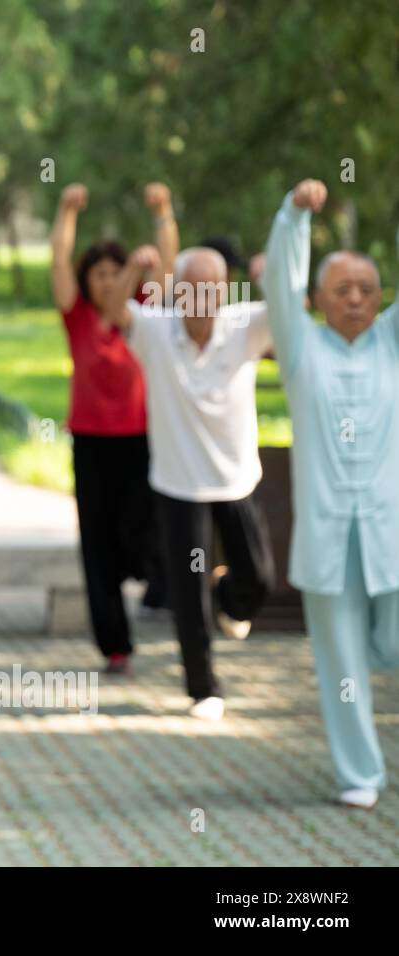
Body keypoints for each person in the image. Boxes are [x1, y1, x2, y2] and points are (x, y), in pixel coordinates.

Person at [264, 178, 399, 809]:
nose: (354, 299)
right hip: (327, 536)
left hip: (389, 530)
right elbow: (277, 287)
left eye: (366, 290)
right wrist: (294, 216)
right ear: (318, 298)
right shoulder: (301, 350)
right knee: (343, 664)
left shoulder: (392, 345)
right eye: (341, 289)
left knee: (390, 644)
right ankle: (360, 775)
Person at [106, 243, 275, 721]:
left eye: (211, 288)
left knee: (258, 580)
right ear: (176, 292)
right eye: (191, 288)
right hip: (179, 484)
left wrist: (269, 274)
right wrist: (134, 270)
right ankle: (203, 688)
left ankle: (230, 600)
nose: (202, 297)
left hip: (235, 479)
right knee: (186, 590)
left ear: (224, 292)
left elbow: (292, 307)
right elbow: (114, 310)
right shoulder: (156, 331)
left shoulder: (246, 325)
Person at [49, 181, 177, 676]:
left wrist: (163, 211)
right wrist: (66, 210)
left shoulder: (140, 314)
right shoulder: (77, 316)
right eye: (98, 273)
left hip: (141, 439)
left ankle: (149, 580)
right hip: (91, 443)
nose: (105, 281)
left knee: (141, 528)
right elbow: (59, 258)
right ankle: (115, 647)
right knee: (97, 545)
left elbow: (168, 261)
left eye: (113, 273)